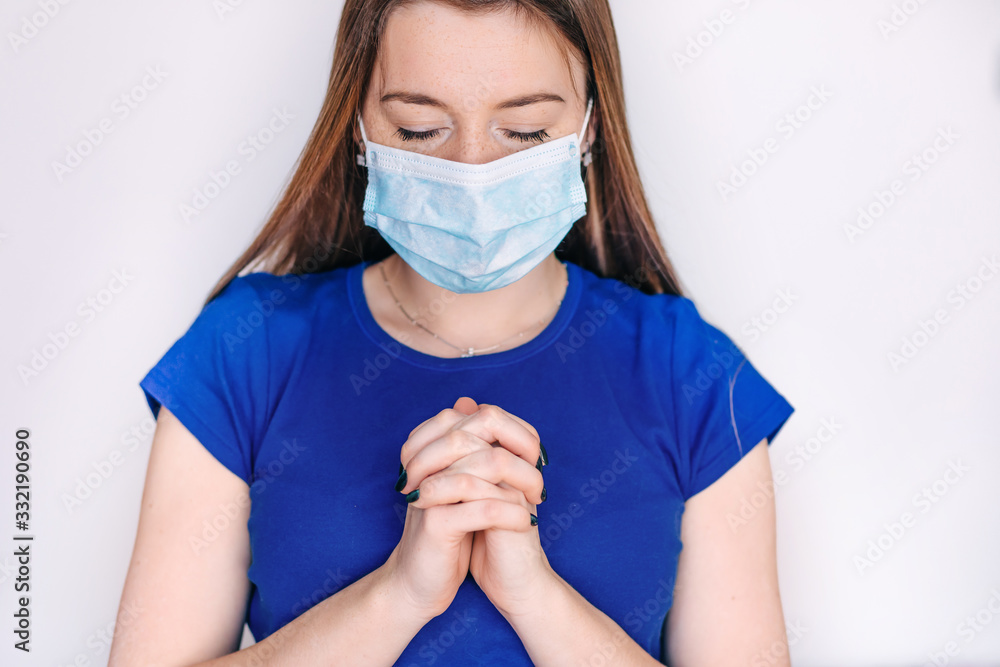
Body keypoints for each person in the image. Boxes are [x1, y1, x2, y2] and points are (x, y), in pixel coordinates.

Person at [109, 0, 795, 665]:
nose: (472, 171)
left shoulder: (691, 373)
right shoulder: (244, 350)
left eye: (523, 133)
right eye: (418, 131)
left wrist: (536, 597)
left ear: (589, 126)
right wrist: (398, 593)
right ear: (358, 125)